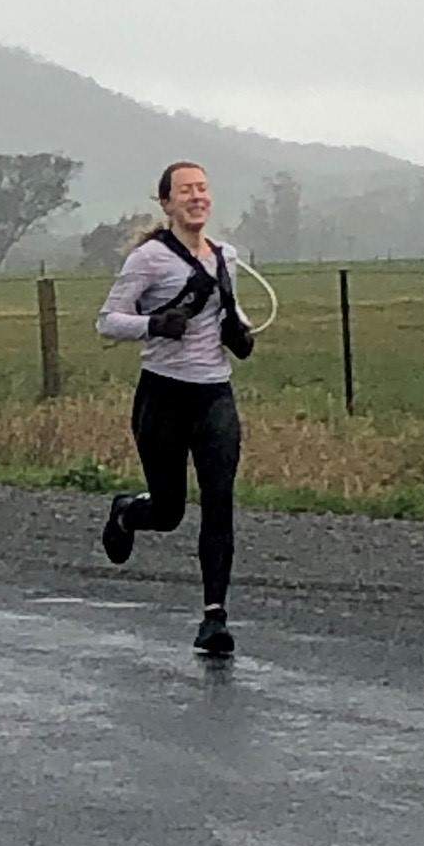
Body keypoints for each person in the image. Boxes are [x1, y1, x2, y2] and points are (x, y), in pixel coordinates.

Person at [95, 161, 255, 655]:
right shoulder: (149, 259)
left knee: (219, 502)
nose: (196, 197)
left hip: (214, 395)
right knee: (169, 512)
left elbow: (237, 317)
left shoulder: (227, 256)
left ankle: (214, 619)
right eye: (185, 190)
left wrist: (241, 334)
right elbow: (107, 322)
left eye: (203, 189)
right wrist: (154, 325)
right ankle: (127, 512)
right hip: (163, 395)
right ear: (166, 203)